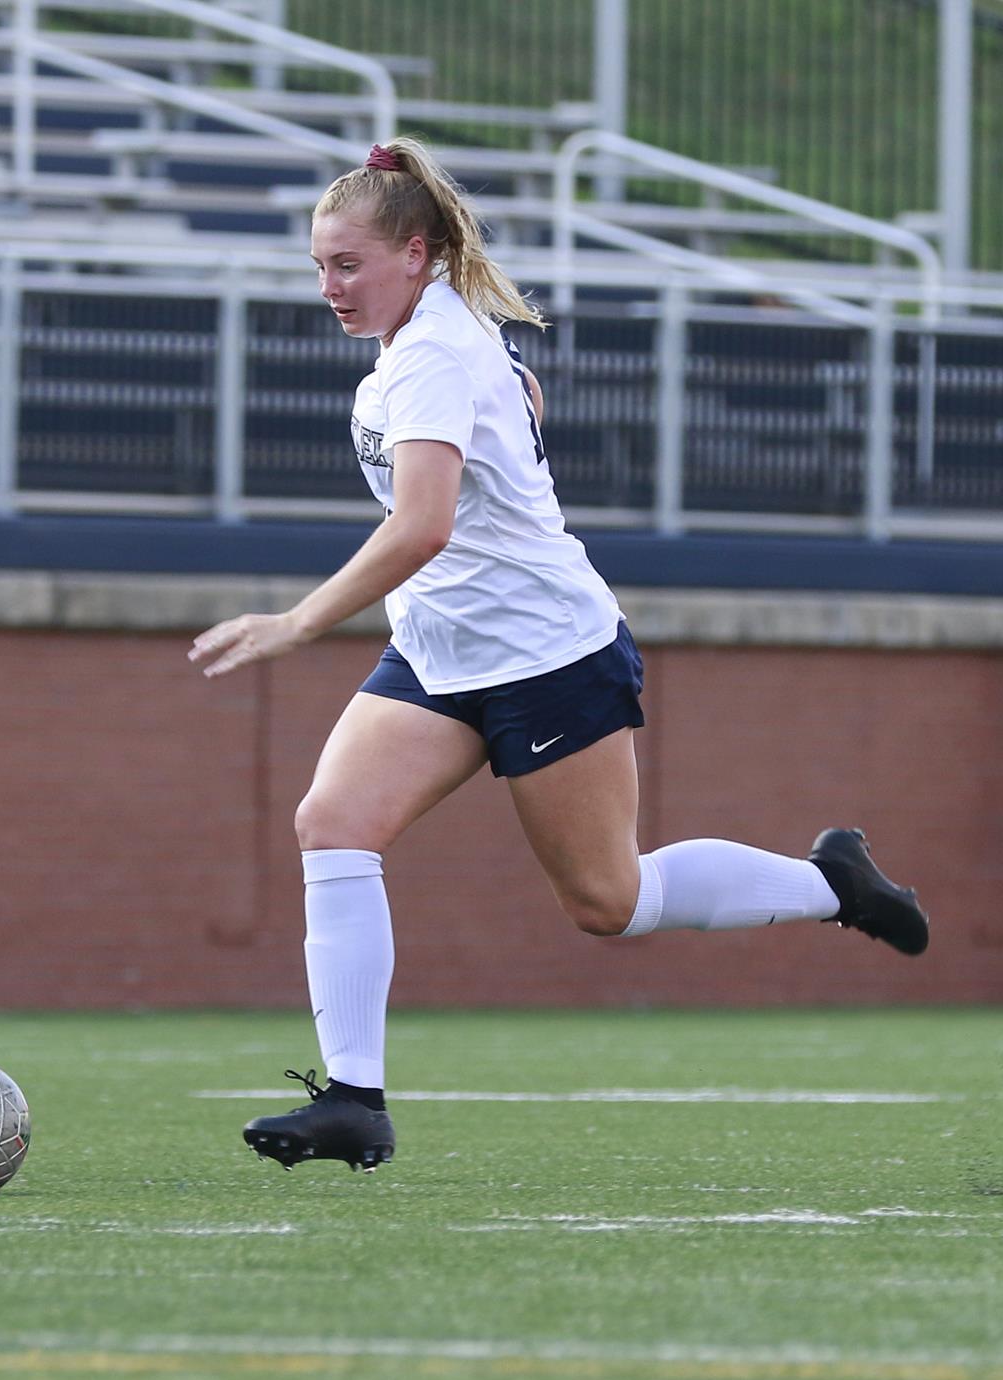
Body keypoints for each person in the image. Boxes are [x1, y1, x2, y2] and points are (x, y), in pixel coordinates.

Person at [188, 139, 929, 1172]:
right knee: (333, 820)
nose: (327, 287)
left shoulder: (437, 349)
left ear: (414, 253)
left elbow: (422, 526)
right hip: (442, 649)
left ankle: (831, 882)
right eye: (316, 265)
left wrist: (297, 621)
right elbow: (513, 419)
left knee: (607, 903)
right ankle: (354, 1097)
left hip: (545, 654)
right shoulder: (432, 330)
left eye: (345, 265)